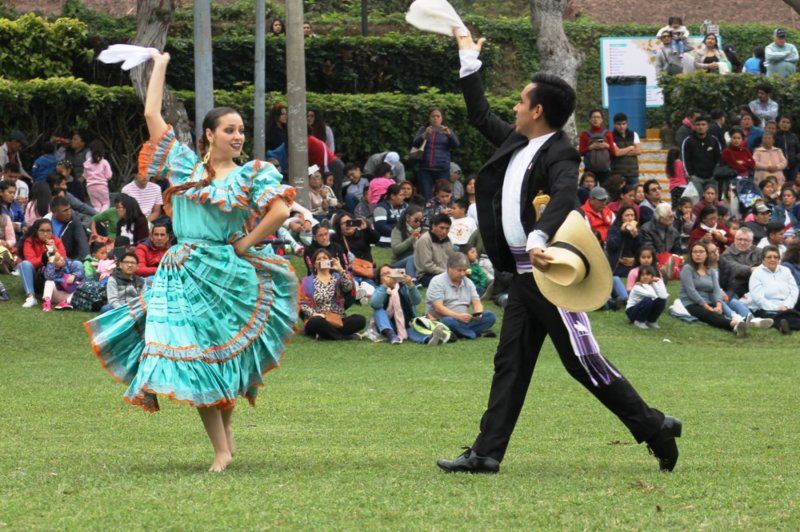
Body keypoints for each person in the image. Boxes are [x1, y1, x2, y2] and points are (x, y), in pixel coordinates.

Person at [437, 30, 679, 475]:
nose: (514, 107)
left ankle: (654, 427)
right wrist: (469, 61)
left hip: (551, 275)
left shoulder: (562, 154)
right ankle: (486, 453)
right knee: (510, 362)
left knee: (583, 362)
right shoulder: (515, 141)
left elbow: (565, 197)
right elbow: (479, 114)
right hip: (522, 277)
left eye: (521, 101)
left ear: (537, 111)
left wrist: (538, 237)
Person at [86, 50, 298, 473]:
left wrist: (245, 243)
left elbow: (279, 211)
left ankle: (225, 443)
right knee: (196, 356)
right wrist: (159, 62)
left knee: (223, 358)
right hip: (182, 271)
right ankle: (221, 449)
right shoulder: (183, 164)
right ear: (209, 135)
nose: (238, 136)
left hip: (227, 272)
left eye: (241, 130)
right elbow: (151, 112)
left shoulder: (250, 174)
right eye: (229, 130)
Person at [680, 242, 748, 335]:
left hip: (708, 301)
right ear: (691, 254)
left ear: (706, 255)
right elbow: (691, 291)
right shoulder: (687, 269)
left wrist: (719, 305)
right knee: (708, 314)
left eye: (701, 251)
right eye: (695, 252)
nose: (698, 254)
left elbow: (716, 290)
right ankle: (733, 325)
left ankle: (744, 320)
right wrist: (706, 306)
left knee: (722, 310)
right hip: (691, 302)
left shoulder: (711, 271)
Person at [426, 252, 496, 340]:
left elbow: (477, 302)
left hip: (464, 321)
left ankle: (460, 333)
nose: (462, 274)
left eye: (464, 270)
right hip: (444, 320)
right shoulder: (437, 281)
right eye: (459, 270)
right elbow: (438, 308)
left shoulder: (468, 283)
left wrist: (478, 313)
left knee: (490, 316)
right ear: (449, 268)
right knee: (448, 321)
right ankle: (472, 334)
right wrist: (458, 316)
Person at [299, 249, 365, 340]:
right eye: (319, 259)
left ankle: (326, 334)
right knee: (316, 322)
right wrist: (315, 314)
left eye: (325, 258)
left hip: (337, 319)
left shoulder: (337, 278)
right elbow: (303, 304)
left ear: (330, 261)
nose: (322, 260)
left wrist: (341, 270)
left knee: (360, 320)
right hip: (319, 318)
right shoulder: (306, 281)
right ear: (314, 264)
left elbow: (348, 288)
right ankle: (344, 336)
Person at [371, 264, 445, 345]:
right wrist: (385, 286)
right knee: (378, 311)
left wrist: (410, 285)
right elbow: (375, 304)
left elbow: (416, 301)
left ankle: (430, 339)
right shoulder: (379, 290)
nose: (388, 276)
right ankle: (392, 336)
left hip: (407, 323)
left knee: (414, 332)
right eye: (384, 274)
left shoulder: (403, 287)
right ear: (380, 279)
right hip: (388, 325)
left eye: (389, 273)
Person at [747, 245, 800, 333]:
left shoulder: (786, 271)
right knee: (776, 317)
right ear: (763, 259)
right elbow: (758, 298)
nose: (773, 259)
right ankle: (785, 324)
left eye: (775, 257)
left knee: (789, 315)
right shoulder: (757, 273)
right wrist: (776, 308)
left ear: (779, 259)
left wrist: (787, 305)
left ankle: (784, 324)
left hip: (786, 306)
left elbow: (794, 290)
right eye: (769, 257)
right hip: (765, 308)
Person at [412, 108, 461, 200]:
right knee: (427, 197)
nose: (435, 118)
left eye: (438, 116)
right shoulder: (423, 129)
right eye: (433, 116)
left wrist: (449, 135)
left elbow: (456, 145)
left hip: (442, 170)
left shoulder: (447, 130)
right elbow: (415, 144)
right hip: (425, 169)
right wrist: (425, 135)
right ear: (429, 118)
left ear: (442, 118)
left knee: (443, 196)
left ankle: (442, 210)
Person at [17, 218, 66, 308]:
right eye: (42, 231)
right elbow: (31, 262)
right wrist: (46, 255)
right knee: (24, 264)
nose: (45, 234)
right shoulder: (29, 241)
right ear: (36, 231)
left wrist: (54, 249)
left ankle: (73, 292)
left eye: (48, 231)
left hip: (54, 277)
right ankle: (31, 297)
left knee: (77, 264)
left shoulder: (56, 241)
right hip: (37, 277)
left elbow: (64, 260)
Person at [605, 205, 641, 307]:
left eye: (632, 215)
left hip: (632, 265)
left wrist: (636, 237)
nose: (630, 218)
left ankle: (624, 299)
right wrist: (621, 232)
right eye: (627, 215)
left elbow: (642, 251)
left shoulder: (637, 231)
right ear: (621, 217)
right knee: (616, 277)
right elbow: (612, 246)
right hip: (618, 265)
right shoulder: (613, 230)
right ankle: (621, 299)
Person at [414, 212, 454, 287]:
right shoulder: (425, 239)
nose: (444, 231)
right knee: (451, 282)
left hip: (445, 273)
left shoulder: (447, 239)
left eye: (447, 228)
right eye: (441, 228)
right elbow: (427, 266)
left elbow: (452, 259)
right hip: (427, 275)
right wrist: (447, 272)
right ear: (433, 226)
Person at [719, 227, 760, 297]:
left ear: (751, 241)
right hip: (735, 289)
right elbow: (734, 268)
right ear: (734, 239)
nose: (742, 242)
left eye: (746, 240)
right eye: (740, 239)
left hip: (756, 287)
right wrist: (750, 269)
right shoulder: (726, 254)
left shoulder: (759, 251)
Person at [579, 109, 616, 185]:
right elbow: (581, 152)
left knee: (606, 190)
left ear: (602, 120)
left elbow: (613, 152)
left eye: (598, 117)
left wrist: (607, 145)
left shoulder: (608, 133)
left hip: (605, 170)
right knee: (588, 190)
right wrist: (591, 147)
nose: (596, 119)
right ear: (590, 119)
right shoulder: (584, 134)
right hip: (590, 171)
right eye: (593, 117)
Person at [681, 115, 721, 186]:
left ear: (707, 126)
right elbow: (685, 160)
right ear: (694, 126)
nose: (700, 127)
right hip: (696, 178)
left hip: (712, 178)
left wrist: (716, 174)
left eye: (703, 124)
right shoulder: (688, 141)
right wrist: (690, 175)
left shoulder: (714, 140)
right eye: (698, 124)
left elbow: (719, 159)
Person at [48, 196, 89, 261]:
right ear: (54, 213)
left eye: (69, 209)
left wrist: (86, 260)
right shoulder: (46, 222)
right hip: (50, 259)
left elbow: (82, 243)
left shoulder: (74, 220)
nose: (69, 213)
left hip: (70, 259)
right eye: (65, 211)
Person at [390, 204, 424, 278]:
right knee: (412, 258)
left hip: (418, 263)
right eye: (416, 220)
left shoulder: (423, 230)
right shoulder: (398, 230)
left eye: (421, 220)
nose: (419, 223)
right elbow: (396, 250)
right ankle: (412, 280)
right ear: (408, 217)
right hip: (399, 264)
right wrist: (411, 238)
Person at [610, 113, 641, 187]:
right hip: (617, 174)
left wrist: (622, 151)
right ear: (614, 124)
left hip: (633, 173)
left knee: (635, 193)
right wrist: (630, 148)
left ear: (627, 124)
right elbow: (616, 153)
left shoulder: (634, 134)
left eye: (624, 124)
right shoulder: (610, 136)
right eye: (619, 124)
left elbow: (638, 151)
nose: (621, 126)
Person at [83, 139, 113, 211]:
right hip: (101, 186)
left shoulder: (87, 163)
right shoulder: (104, 162)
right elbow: (109, 176)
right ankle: (103, 217)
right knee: (105, 203)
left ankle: (97, 217)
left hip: (90, 187)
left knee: (96, 206)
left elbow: (85, 176)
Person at [776, 116, 800, 183]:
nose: (785, 124)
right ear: (779, 124)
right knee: (780, 184)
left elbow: (798, 150)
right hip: (780, 166)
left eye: (788, 123)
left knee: (792, 184)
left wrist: (796, 159)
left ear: (790, 125)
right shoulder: (775, 136)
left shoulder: (794, 136)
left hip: (793, 166)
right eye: (783, 122)